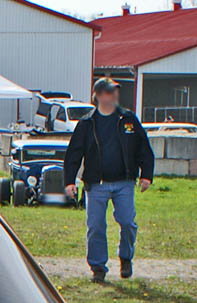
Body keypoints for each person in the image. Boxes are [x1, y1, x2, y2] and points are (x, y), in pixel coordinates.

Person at [64, 77, 155, 282]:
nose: (113, 95)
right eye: (108, 92)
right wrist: (70, 181)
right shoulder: (87, 123)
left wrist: (146, 175)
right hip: (96, 184)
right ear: (97, 96)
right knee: (96, 226)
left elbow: (144, 149)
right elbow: (73, 154)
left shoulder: (128, 119)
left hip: (124, 182)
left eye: (115, 91)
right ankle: (98, 268)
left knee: (127, 222)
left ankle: (125, 258)